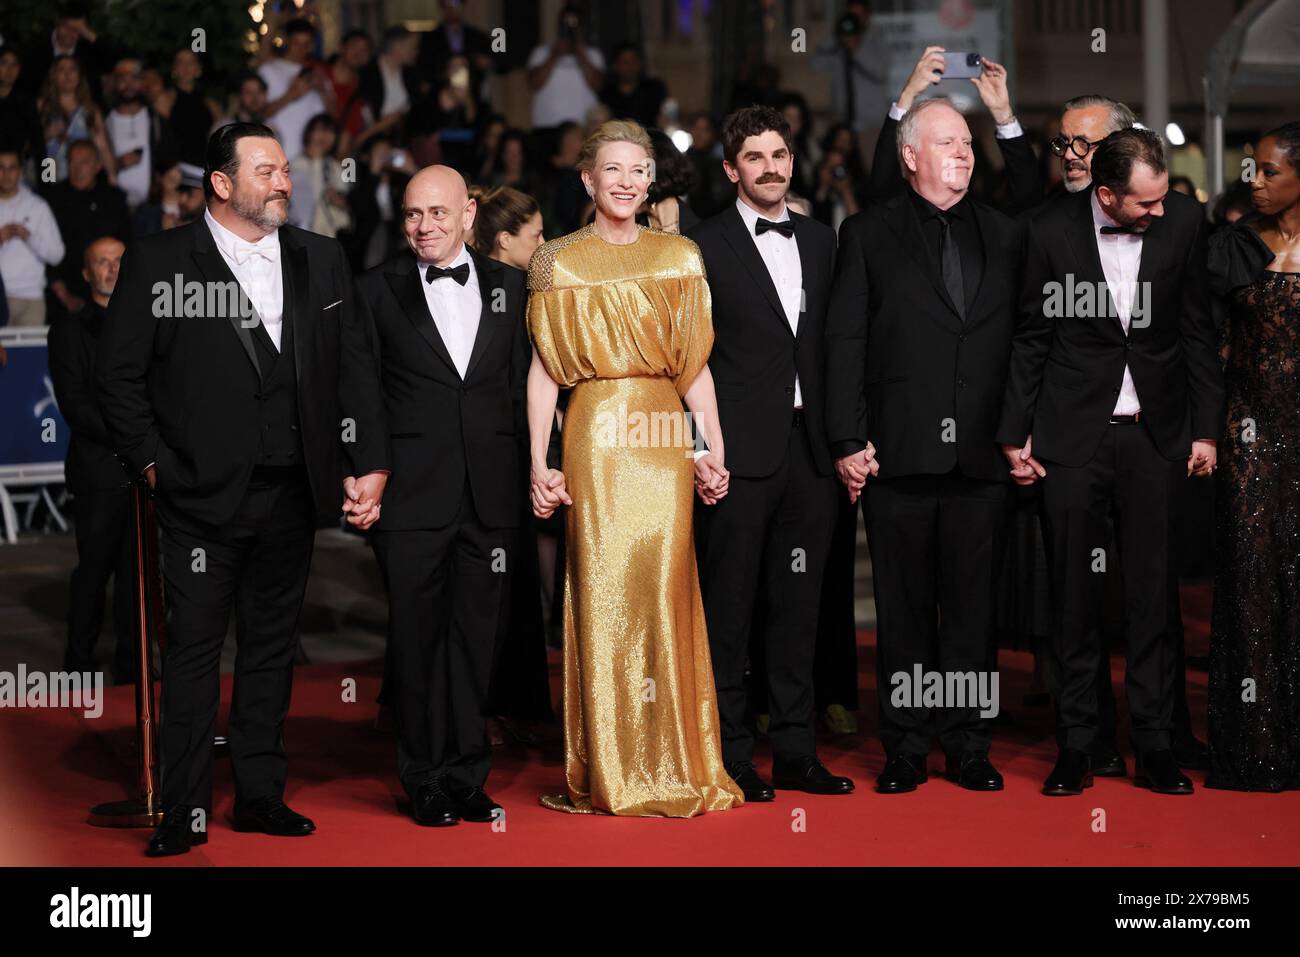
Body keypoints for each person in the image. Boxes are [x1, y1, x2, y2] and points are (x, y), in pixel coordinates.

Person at [95, 123, 388, 856]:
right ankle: (185, 809)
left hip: (292, 493)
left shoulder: (321, 258)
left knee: (270, 651)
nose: (283, 181)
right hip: (195, 498)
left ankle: (260, 795)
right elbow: (118, 378)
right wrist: (155, 464)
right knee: (192, 655)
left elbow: (353, 368)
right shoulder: (164, 260)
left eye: (286, 169)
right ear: (222, 184)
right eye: (266, 170)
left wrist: (370, 458)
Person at [997, 128, 1224, 796]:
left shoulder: (1183, 219)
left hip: (1157, 435)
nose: (1159, 212)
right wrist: (1015, 433)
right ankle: (1079, 743)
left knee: (1153, 597)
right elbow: (1031, 336)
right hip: (1073, 438)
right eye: (1144, 204)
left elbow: (1197, 330)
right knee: (1072, 596)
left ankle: (1155, 743)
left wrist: (1206, 431)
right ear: (1105, 193)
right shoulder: (1047, 230)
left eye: (1162, 201)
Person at [527, 119, 742, 816]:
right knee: (602, 588)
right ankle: (612, 766)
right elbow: (542, 375)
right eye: (612, 170)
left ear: (652, 181)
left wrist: (711, 447)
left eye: (638, 170)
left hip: (660, 434)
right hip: (594, 433)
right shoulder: (556, 261)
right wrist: (540, 459)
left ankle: (676, 756)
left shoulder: (680, 256)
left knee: (664, 583)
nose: (626, 182)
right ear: (587, 180)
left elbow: (694, 370)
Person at [826, 97, 1023, 794]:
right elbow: (845, 341)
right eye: (947, 142)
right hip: (897, 455)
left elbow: (1025, 341)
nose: (964, 152)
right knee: (904, 615)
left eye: (968, 143)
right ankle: (906, 746)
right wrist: (848, 438)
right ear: (910, 156)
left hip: (981, 456)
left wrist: (1017, 429)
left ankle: (970, 744)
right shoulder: (868, 234)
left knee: (974, 615)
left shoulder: (1005, 233)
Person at [353, 165, 529, 826]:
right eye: (411, 214)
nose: (422, 226)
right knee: (419, 643)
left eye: (435, 212)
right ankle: (422, 776)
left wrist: (538, 468)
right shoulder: (376, 291)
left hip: (491, 496)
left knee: (474, 643)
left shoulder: (513, 287)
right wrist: (368, 470)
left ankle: (466, 771)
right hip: (411, 500)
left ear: (469, 212)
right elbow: (361, 391)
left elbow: (520, 388)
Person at [687, 105, 851, 801]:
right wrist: (699, 448)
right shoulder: (700, 245)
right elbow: (685, 358)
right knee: (729, 611)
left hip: (810, 452)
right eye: (755, 157)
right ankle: (730, 755)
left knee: (799, 608)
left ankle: (795, 750)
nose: (771, 167)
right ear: (731, 169)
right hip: (735, 453)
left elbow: (839, 348)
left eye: (779, 154)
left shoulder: (821, 240)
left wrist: (847, 439)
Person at [1206, 121, 1300, 791]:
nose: (1255, 182)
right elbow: (1202, 339)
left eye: (1270, 171)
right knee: (1251, 576)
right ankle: (1257, 745)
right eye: (1253, 170)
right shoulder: (1234, 245)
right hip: (1251, 436)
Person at [467, 184, 556, 746]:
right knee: (494, 588)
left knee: (523, 584)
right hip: (494, 455)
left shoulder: (532, 289)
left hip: (532, 448)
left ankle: (519, 707)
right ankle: (486, 709)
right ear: (505, 240)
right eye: (537, 236)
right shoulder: (487, 292)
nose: (545, 244)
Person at [48, 236, 136, 683]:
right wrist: (133, 435)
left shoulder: (146, 323)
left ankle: (132, 666)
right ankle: (78, 665)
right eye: (102, 262)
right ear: (87, 274)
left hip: (142, 474)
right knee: (94, 571)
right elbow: (75, 404)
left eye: (119, 261)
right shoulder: (68, 331)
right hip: (99, 471)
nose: (112, 269)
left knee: (136, 575)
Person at [43, 140, 131, 322]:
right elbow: (46, 253)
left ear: (98, 166)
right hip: (63, 297)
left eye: (84, 163)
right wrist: (64, 296)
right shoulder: (54, 199)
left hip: (110, 297)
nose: (77, 169)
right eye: (72, 163)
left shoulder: (114, 199)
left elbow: (129, 249)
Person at [0, 144, 65, 326]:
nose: (6, 174)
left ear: (20, 171)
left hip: (31, 297)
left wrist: (29, 237)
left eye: (12, 167)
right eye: (1, 168)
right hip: (0, 295)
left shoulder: (37, 207)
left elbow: (57, 255)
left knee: (29, 354)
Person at [259, 18, 330, 163]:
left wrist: (322, 90)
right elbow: (259, 113)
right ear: (286, 41)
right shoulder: (268, 70)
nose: (301, 49)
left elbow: (332, 118)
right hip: (277, 158)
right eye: (296, 43)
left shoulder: (317, 74)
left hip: (311, 161)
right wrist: (291, 95)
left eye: (306, 44)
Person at [526, 4, 605, 131]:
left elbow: (598, 85)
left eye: (575, 25)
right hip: (547, 125)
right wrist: (554, 55)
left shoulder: (593, 55)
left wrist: (580, 53)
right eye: (565, 25)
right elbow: (534, 83)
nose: (569, 30)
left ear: (582, 27)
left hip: (583, 127)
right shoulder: (541, 53)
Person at [39, 54, 115, 183]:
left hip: (79, 175)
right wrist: (48, 134)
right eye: (62, 70)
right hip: (49, 169)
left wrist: (112, 175)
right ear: (54, 76)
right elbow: (27, 144)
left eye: (72, 70)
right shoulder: (43, 106)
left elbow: (103, 146)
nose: (67, 75)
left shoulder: (90, 109)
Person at [287, 113, 351, 238]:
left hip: (331, 234)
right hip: (302, 233)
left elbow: (345, 202)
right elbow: (312, 198)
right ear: (309, 134)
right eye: (320, 130)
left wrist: (339, 201)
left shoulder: (336, 166)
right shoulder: (294, 165)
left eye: (330, 132)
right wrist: (317, 161)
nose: (325, 136)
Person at [599, 44, 667, 131]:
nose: (630, 66)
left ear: (640, 63)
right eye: (624, 61)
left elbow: (667, 114)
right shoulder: (607, 94)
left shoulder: (655, 89)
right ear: (615, 65)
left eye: (633, 60)